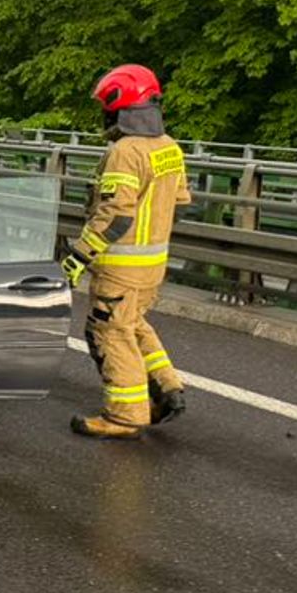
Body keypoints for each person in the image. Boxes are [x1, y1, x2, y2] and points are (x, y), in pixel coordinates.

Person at [59, 64, 191, 439]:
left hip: (121, 267)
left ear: (119, 108)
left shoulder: (125, 151)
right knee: (133, 324)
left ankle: (125, 415)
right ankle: (167, 388)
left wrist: (78, 257)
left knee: (109, 331)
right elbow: (181, 204)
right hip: (154, 264)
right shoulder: (170, 148)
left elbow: (115, 216)